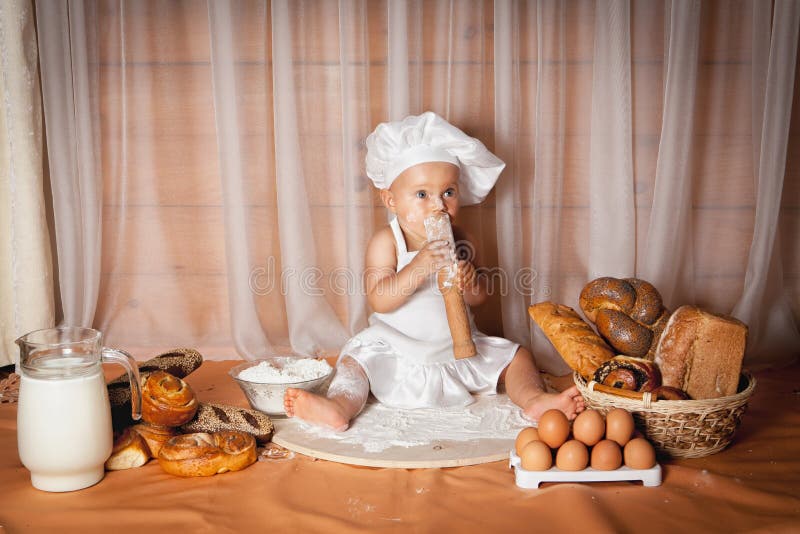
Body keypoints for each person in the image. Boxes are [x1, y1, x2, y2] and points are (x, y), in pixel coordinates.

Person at [284, 111, 584, 431]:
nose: (439, 205)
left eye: (448, 192)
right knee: (353, 364)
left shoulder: (463, 238)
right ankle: (339, 405)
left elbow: (480, 297)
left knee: (519, 356)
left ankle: (533, 399)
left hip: (456, 349)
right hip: (396, 347)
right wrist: (418, 266)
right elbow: (380, 299)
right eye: (422, 194)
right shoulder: (387, 242)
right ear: (391, 200)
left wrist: (471, 283)